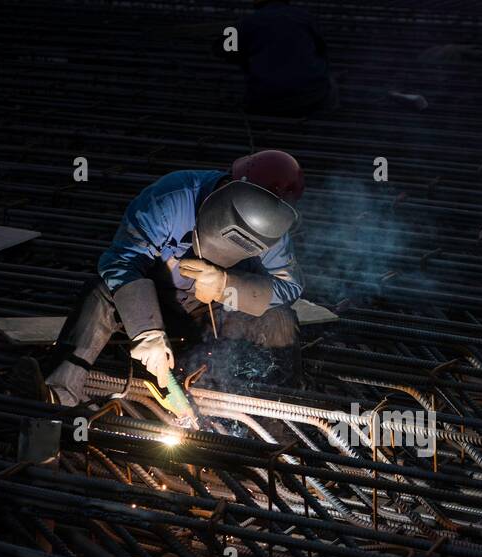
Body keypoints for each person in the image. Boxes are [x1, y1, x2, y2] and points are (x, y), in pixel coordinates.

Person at [44, 150, 305, 406]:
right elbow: (120, 260)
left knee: (278, 318)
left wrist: (226, 285)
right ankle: (59, 395)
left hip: (212, 313)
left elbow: (289, 286)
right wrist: (147, 331)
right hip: (156, 303)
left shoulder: (272, 229)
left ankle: (275, 409)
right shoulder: (172, 198)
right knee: (102, 291)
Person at [237, 1, 336, 116]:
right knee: (330, 82)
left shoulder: (248, 22)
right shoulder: (304, 17)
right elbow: (322, 50)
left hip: (265, 101)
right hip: (310, 98)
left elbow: (229, 52)